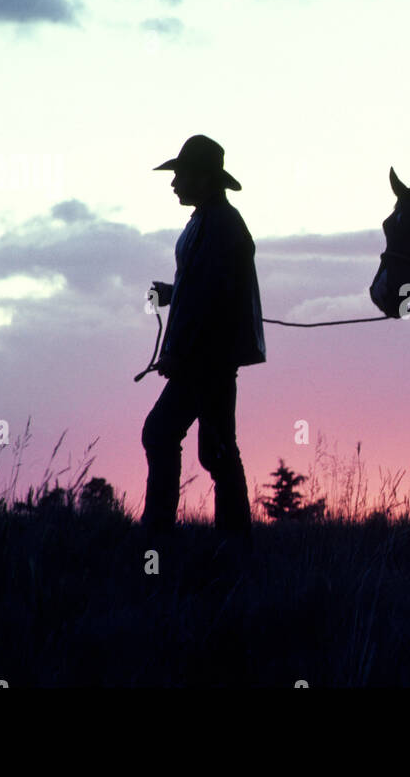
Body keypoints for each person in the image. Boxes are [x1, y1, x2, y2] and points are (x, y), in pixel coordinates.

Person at [140, 134, 266, 537]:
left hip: (206, 360)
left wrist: (181, 353)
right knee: (216, 449)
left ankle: (157, 535)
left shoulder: (220, 225)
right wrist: (175, 294)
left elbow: (213, 298)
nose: (174, 183)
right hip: (210, 358)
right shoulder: (211, 223)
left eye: (181, 174)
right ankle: (233, 544)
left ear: (203, 177)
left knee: (162, 433)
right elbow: (205, 289)